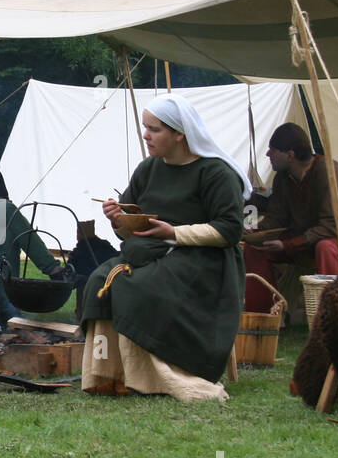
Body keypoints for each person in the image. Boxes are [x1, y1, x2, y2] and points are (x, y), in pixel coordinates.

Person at [80, 93, 249, 400]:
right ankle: (111, 375)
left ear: (179, 134)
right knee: (97, 282)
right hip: (151, 255)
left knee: (138, 288)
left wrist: (174, 233)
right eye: (146, 128)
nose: (146, 135)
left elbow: (230, 229)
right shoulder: (149, 168)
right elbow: (132, 225)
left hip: (204, 261)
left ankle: (158, 379)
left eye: (154, 129)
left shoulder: (216, 173)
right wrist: (118, 219)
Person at [243, 122, 338, 312]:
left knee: (326, 247)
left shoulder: (328, 173)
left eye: (273, 150)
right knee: (254, 249)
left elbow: (331, 227)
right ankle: (264, 317)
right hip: (307, 238)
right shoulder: (283, 178)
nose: (268, 155)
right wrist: (255, 234)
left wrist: (289, 245)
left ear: (290, 155)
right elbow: (277, 217)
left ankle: (334, 315)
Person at [0, 100, 68, 327]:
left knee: (6, 238)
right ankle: (54, 271)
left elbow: (2, 194)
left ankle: (6, 311)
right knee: (5, 213)